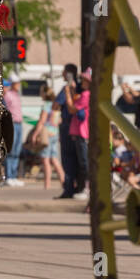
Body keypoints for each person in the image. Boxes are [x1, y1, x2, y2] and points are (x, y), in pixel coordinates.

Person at [63, 67, 92, 201]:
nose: (82, 81)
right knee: (82, 162)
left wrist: (68, 93)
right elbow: (76, 103)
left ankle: (87, 188)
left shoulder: (87, 94)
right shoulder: (86, 94)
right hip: (81, 131)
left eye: (85, 79)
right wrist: (73, 91)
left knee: (85, 163)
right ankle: (85, 188)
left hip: (82, 132)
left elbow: (72, 109)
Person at [56, 65, 80, 198]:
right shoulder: (79, 87)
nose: (62, 73)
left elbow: (56, 104)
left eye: (64, 71)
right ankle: (78, 186)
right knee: (78, 160)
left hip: (68, 127)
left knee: (68, 159)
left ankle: (69, 188)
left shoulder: (67, 89)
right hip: (78, 128)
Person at [3, 72, 25, 186]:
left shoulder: (16, 94)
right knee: (11, 150)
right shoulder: (8, 95)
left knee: (17, 151)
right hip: (12, 124)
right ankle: (9, 176)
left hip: (19, 123)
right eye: (17, 83)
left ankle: (14, 175)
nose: (18, 85)